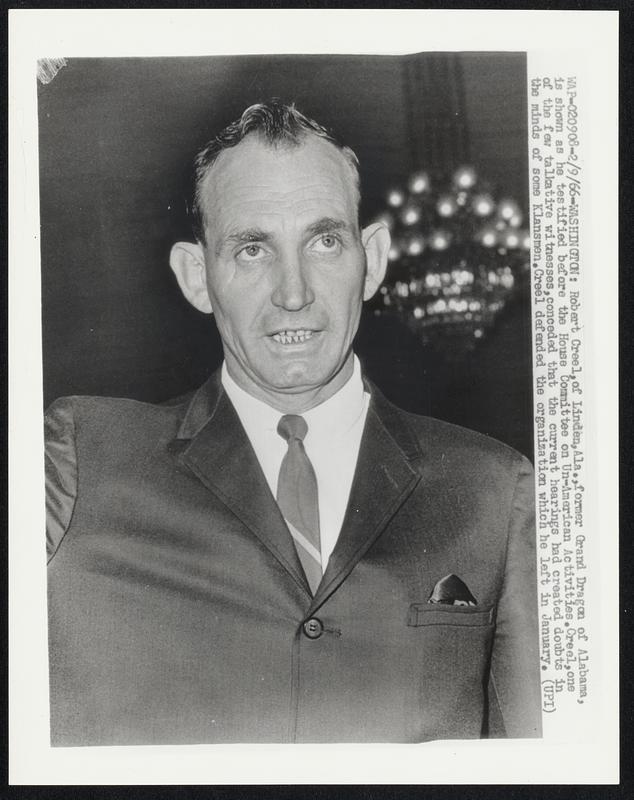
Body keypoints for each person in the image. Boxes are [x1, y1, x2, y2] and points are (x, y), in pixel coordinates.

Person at [45, 101, 542, 746]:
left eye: (325, 240)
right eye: (252, 249)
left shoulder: (494, 489)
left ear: (374, 258)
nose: (294, 292)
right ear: (198, 277)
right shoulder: (79, 457)